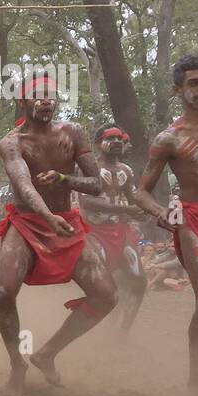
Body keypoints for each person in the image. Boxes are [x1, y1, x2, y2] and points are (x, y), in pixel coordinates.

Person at [0, 72, 114, 390]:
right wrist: (46, 217)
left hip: (67, 222)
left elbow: (97, 184)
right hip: (28, 223)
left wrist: (63, 179)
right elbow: (23, 184)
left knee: (106, 295)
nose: (47, 100)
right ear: (23, 101)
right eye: (39, 95)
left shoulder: (72, 133)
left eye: (51, 95)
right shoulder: (11, 142)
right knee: (3, 292)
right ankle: (18, 361)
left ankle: (46, 353)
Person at [133, 55, 198, 390]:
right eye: (194, 83)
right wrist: (162, 213)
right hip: (194, 221)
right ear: (178, 90)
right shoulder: (168, 139)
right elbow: (140, 193)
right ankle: (195, 375)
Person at [78, 125, 146, 331]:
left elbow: (134, 199)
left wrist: (150, 210)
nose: (117, 142)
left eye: (120, 138)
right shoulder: (90, 168)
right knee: (105, 287)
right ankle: (96, 323)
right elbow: (87, 202)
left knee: (140, 282)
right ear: (99, 143)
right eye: (111, 138)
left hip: (122, 231)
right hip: (95, 233)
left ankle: (124, 331)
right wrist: (126, 209)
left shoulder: (127, 171)